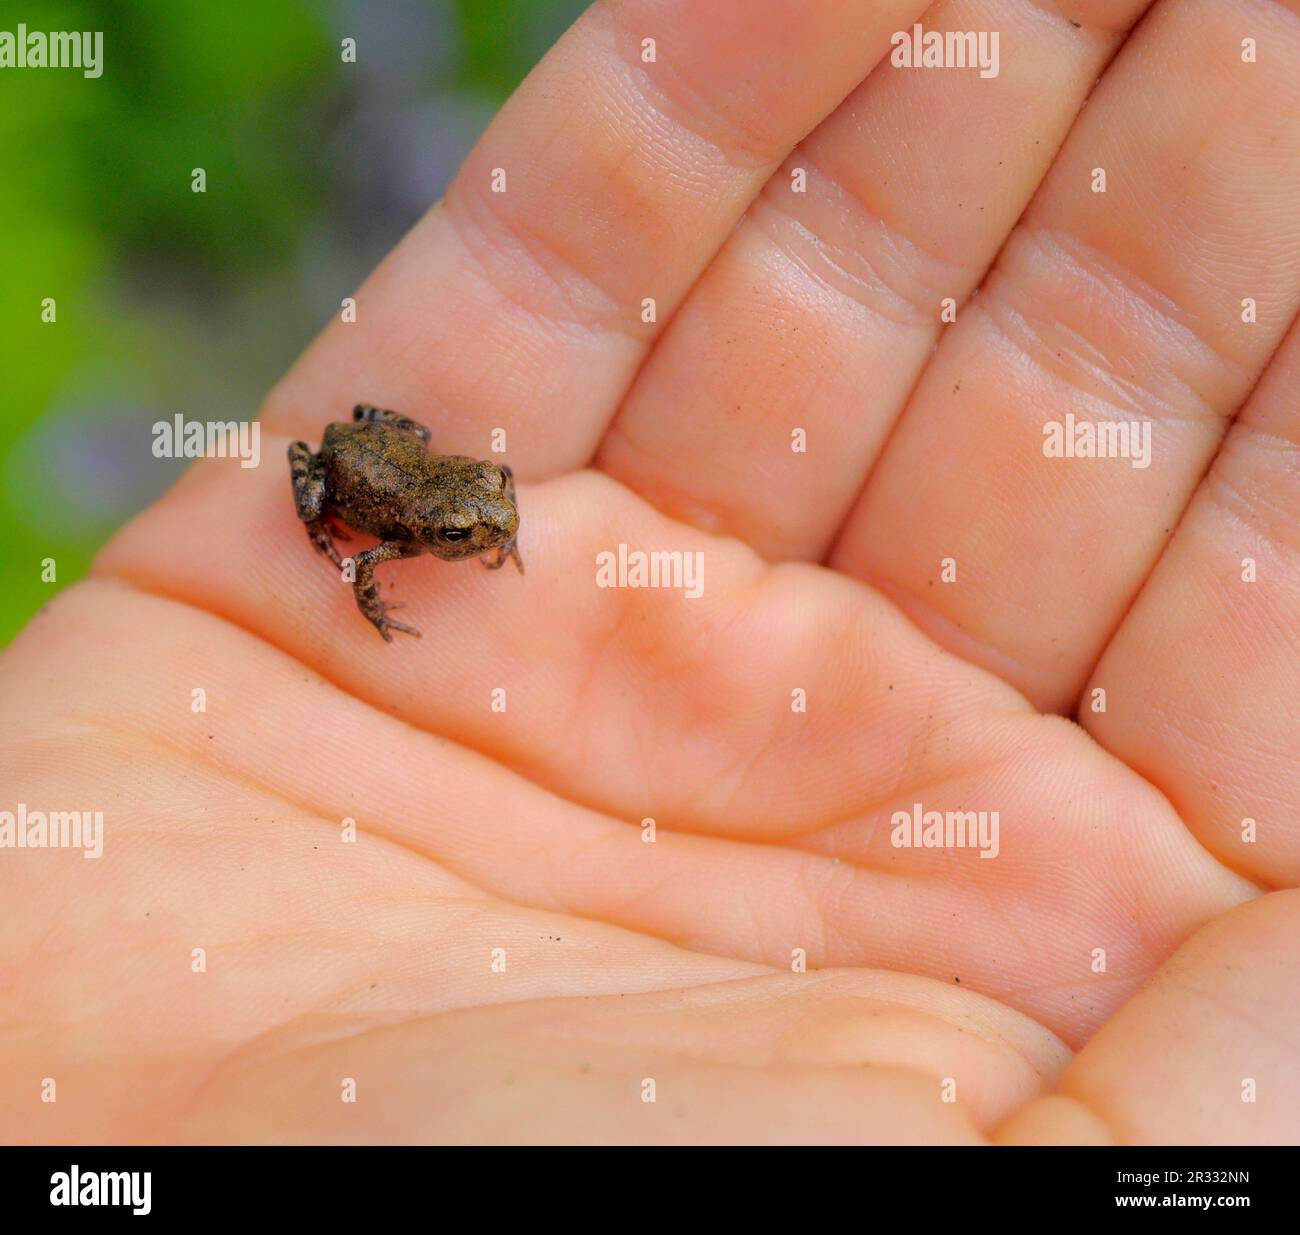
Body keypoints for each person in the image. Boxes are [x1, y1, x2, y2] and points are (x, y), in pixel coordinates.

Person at [2, 0, 1297, 1143]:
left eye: (487, 526)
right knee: (334, 476)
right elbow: (355, 553)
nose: (491, 540)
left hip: (396, 459)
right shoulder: (387, 536)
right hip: (361, 477)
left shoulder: (474, 509)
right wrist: (363, 572)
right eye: (473, 537)